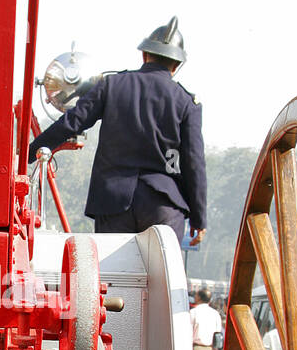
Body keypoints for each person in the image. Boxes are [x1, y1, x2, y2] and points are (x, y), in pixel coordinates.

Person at [28, 16, 206, 244]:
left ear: (144, 55)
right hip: (163, 206)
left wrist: (27, 154)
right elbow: (194, 162)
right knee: (162, 279)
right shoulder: (186, 102)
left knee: (111, 278)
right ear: (176, 65)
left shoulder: (112, 85)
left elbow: (72, 123)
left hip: (113, 203)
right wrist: (199, 219)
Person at [190, 285, 221, 350]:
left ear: (198, 297)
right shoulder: (215, 314)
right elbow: (218, 334)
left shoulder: (193, 312)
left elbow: (188, 332)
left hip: (196, 349)